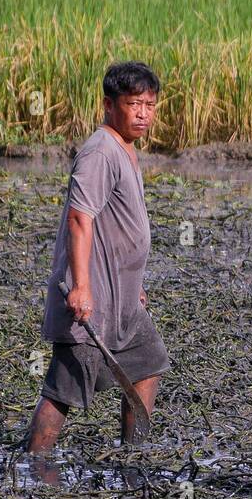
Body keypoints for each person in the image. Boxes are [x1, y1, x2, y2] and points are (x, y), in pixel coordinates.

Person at [24, 61, 169, 462]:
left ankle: (132, 453)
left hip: (122, 299)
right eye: (133, 103)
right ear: (109, 105)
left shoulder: (126, 149)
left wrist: (134, 281)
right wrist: (82, 286)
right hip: (94, 299)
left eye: (150, 105)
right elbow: (79, 217)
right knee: (65, 389)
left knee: (148, 362)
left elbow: (119, 225)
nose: (143, 113)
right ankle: (34, 463)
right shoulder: (100, 151)